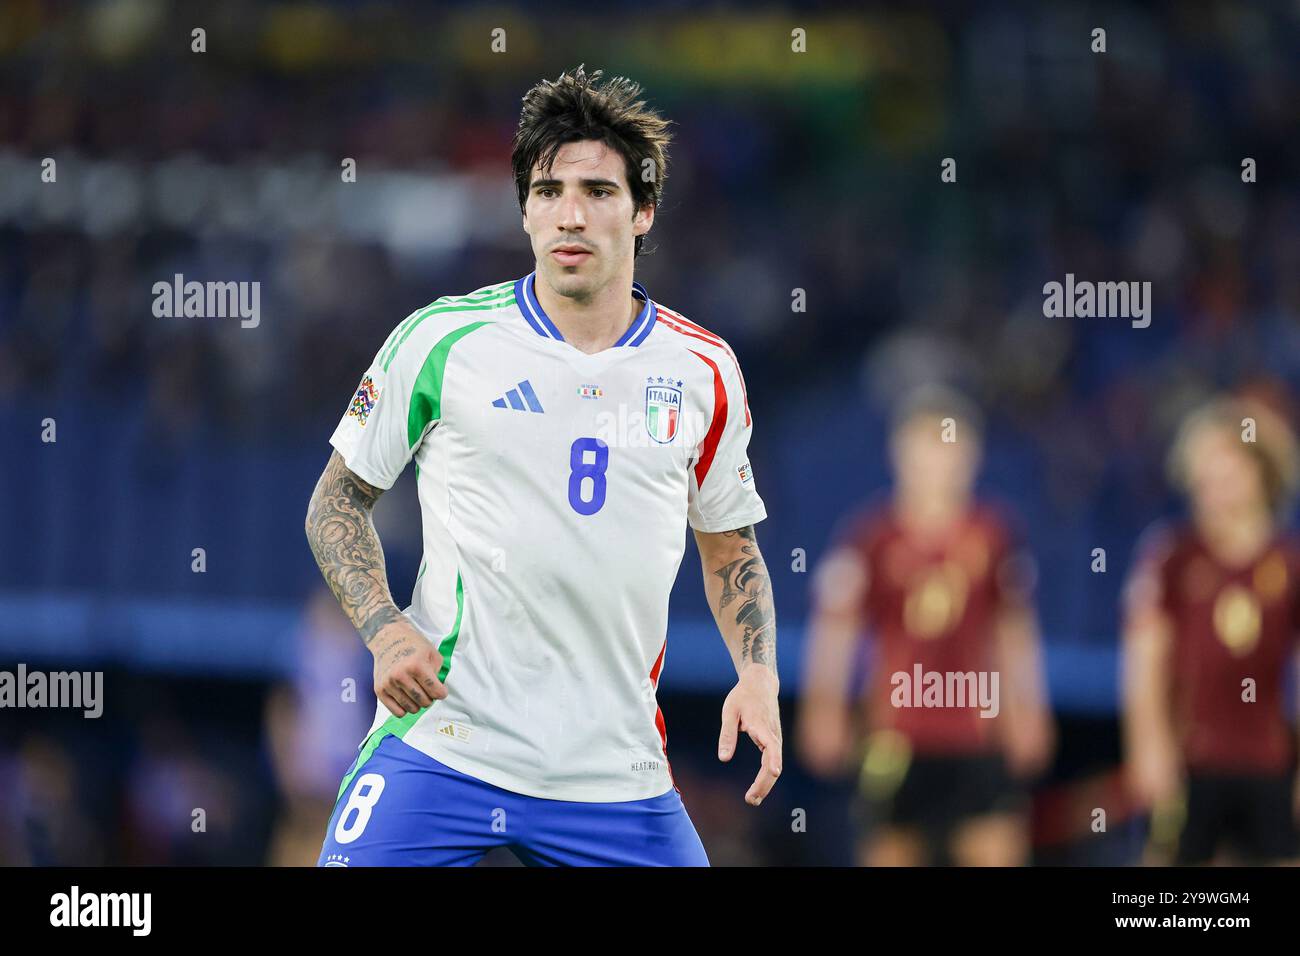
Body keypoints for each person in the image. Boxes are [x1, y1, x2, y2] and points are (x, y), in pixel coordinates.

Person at [304, 66, 780, 867]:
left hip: (614, 776)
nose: (571, 214)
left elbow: (730, 548)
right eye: (548, 189)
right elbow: (335, 503)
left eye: (598, 191)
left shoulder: (703, 371)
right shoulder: (441, 342)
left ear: (643, 210)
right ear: (523, 208)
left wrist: (758, 675)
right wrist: (385, 631)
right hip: (447, 746)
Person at [798, 388, 1054, 865]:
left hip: (977, 737)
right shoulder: (871, 537)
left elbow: (1013, 631)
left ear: (970, 458)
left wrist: (1029, 710)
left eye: (948, 451)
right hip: (895, 736)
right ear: (900, 456)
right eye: (925, 451)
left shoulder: (994, 535)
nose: (937, 465)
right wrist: (824, 709)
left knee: (994, 849)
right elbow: (835, 630)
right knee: (891, 851)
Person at [1122, 394, 1300, 865]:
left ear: (1261, 475)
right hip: (1190, 763)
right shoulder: (1172, 557)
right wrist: (1149, 746)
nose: (1212, 492)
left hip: (1269, 763)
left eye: (1227, 475)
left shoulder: (1288, 565)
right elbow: (1145, 661)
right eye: (1204, 480)